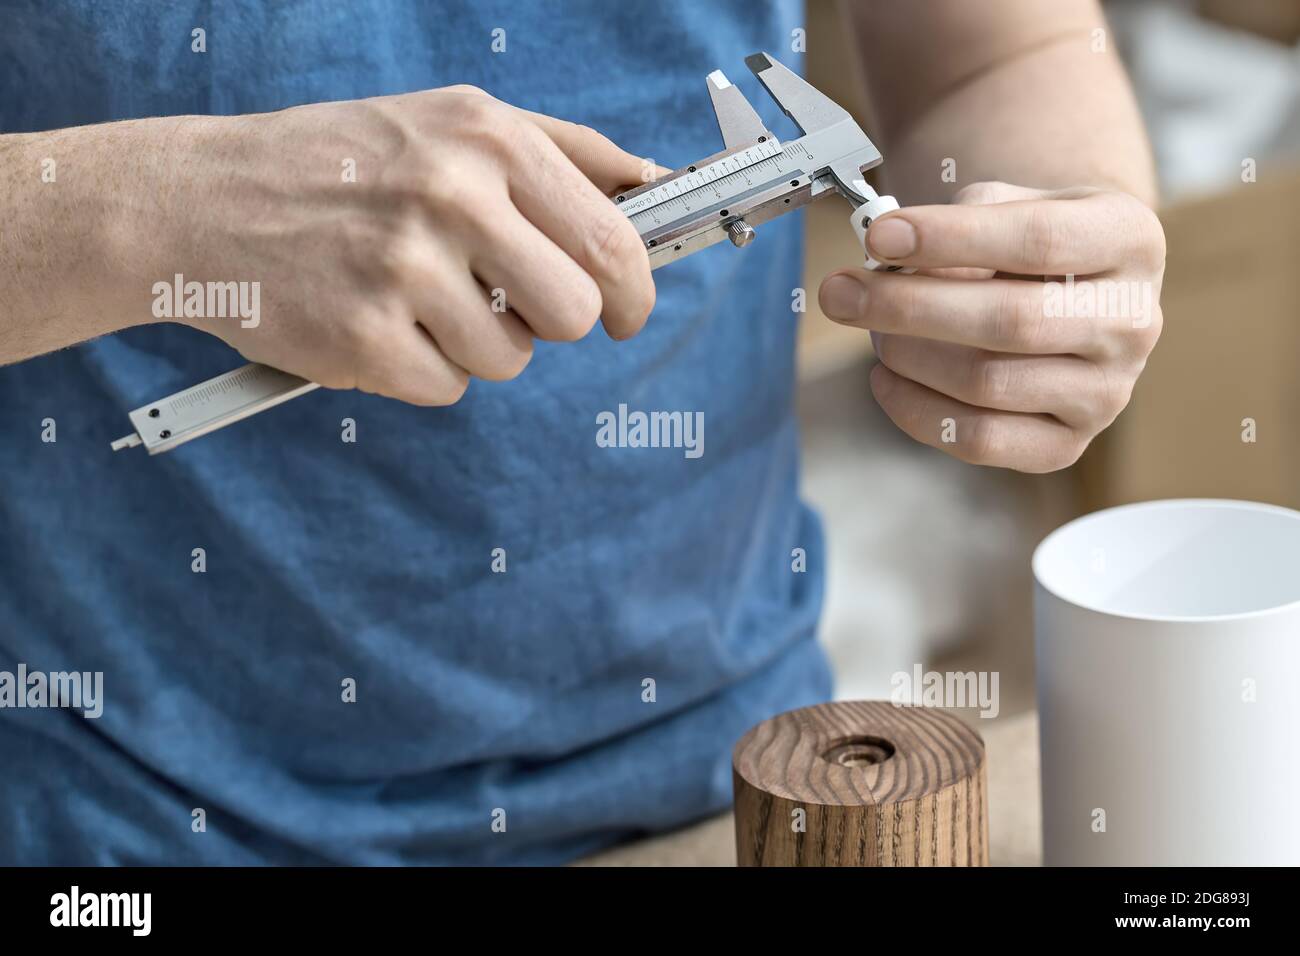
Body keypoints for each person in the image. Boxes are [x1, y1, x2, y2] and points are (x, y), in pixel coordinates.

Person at [0, 0, 1163, 864]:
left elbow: (1006, 53)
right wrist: (152, 210)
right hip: (115, 819)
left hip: (733, 784)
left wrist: (1051, 252)